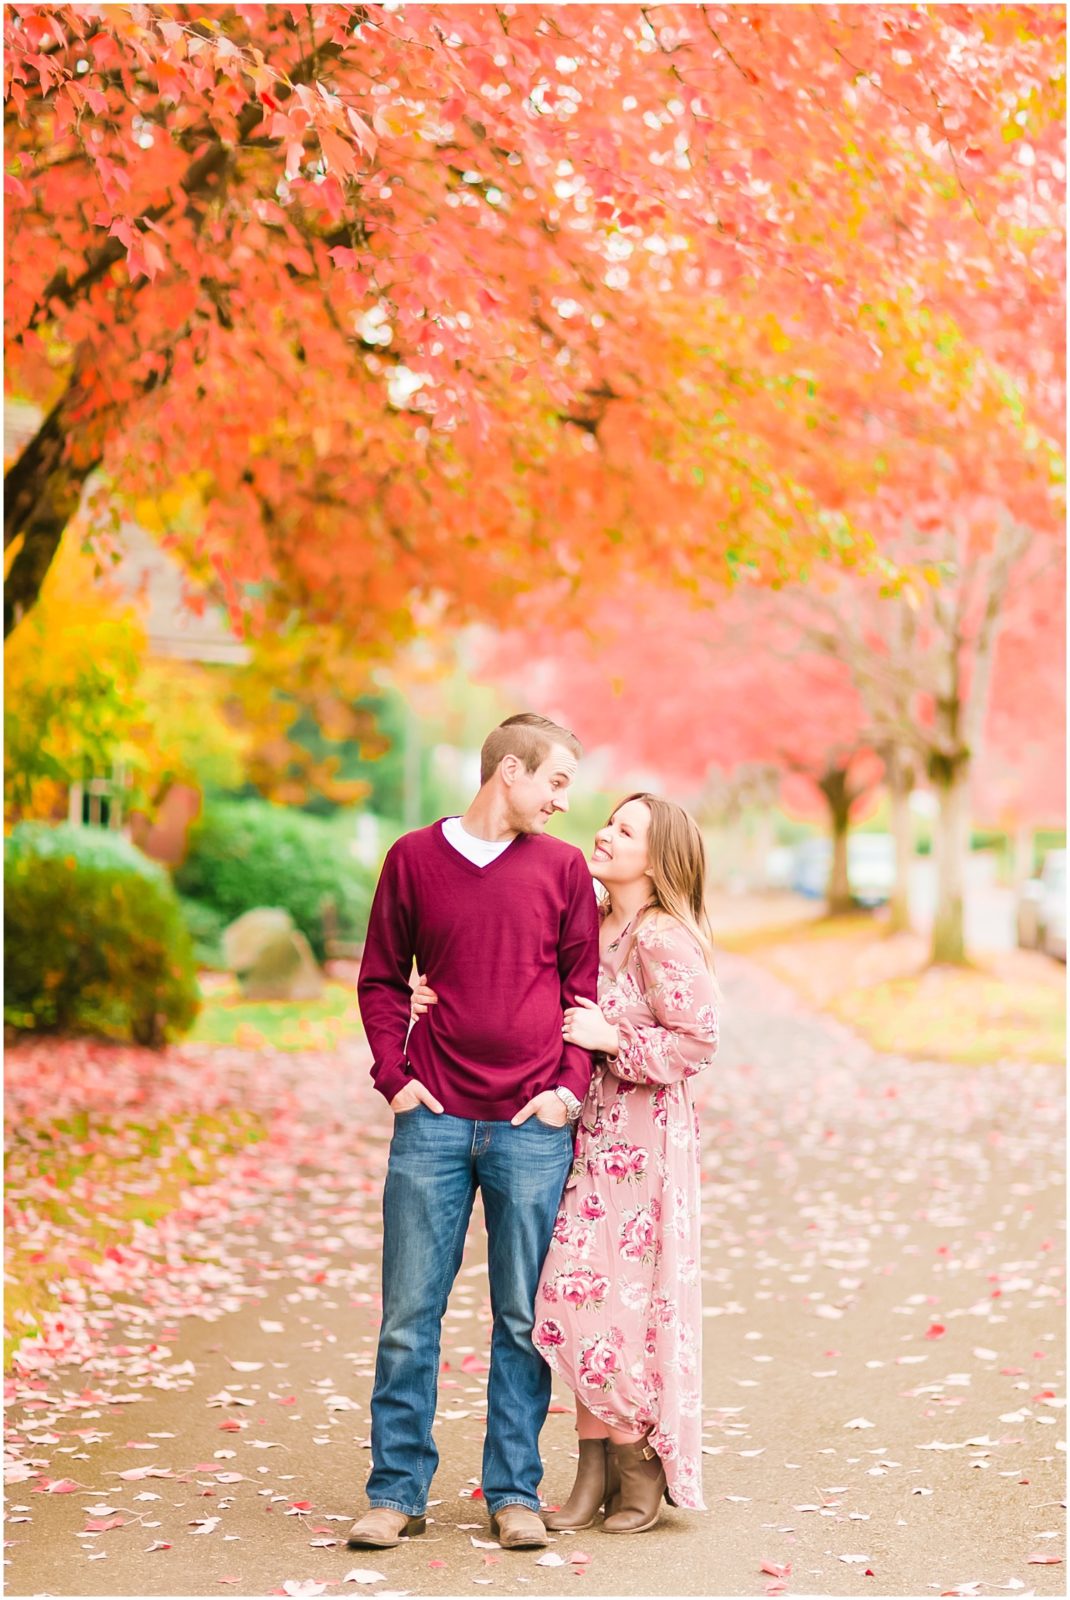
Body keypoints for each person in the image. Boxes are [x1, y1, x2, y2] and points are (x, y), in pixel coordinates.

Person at [412, 792, 720, 1535]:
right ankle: (592, 1465)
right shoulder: (586, 916)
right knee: (569, 1299)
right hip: (578, 1133)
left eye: (625, 830)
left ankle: (635, 1460)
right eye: (609, 822)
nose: (604, 834)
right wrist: (427, 991)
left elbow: (698, 1040)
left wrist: (612, 1039)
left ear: (660, 858)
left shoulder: (660, 937)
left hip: (640, 1149)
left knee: (609, 1302)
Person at [347, 713, 600, 1553]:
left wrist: (567, 1092)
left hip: (532, 1124)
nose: (566, 802)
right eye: (557, 781)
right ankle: (395, 1493)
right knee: (408, 1315)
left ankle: (513, 1493)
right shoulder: (414, 861)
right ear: (512, 771)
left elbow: (581, 996)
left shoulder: (563, 871)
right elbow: (382, 976)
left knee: (522, 1318)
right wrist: (397, 1078)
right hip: (436, 1118)